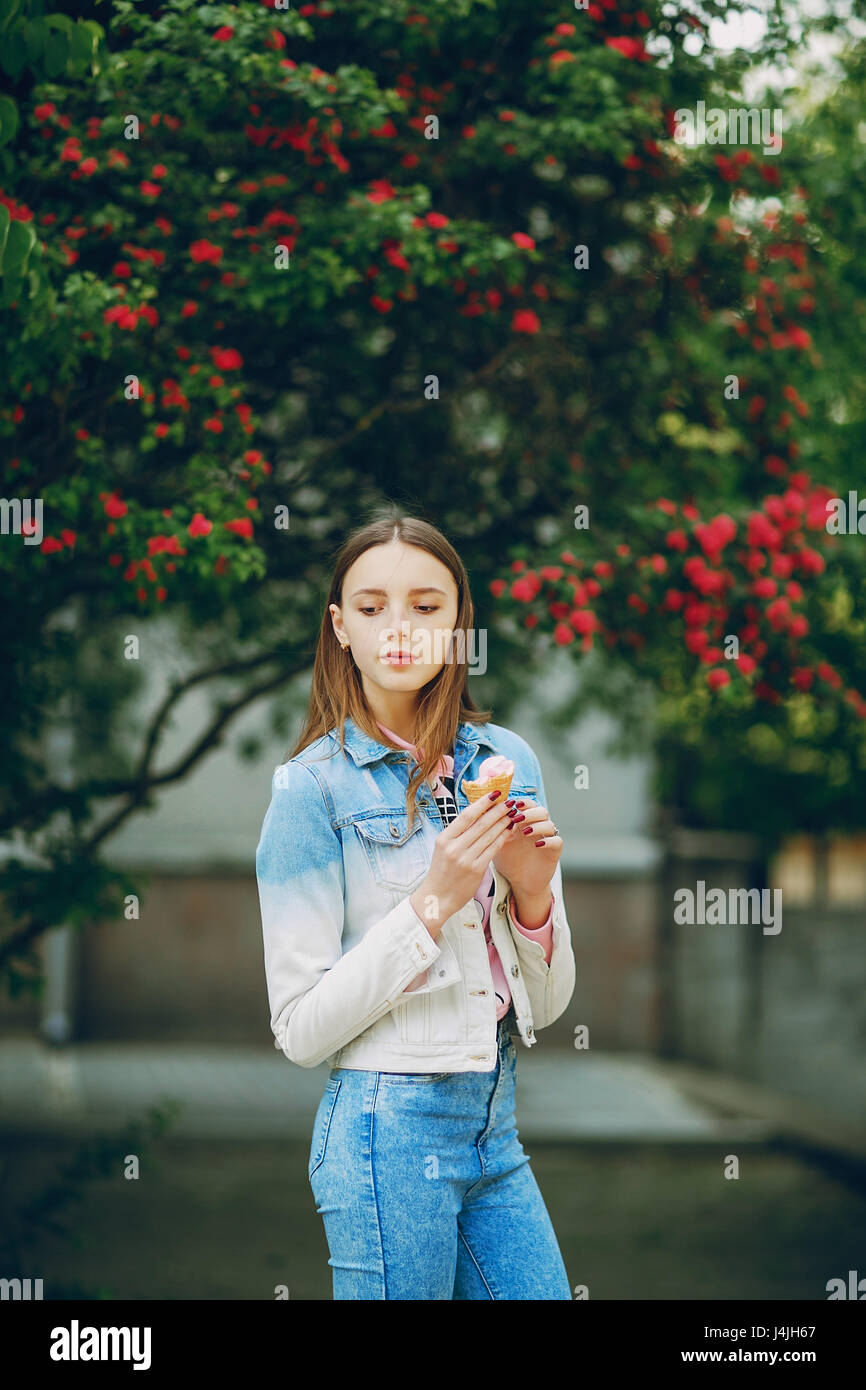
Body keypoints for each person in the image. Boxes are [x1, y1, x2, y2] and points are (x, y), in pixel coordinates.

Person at [255, 506, 576, 1299]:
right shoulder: (311, 791)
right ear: (340, 627)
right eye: (372, 608)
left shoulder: (508, 763)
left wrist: (532, 896)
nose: (399, 628)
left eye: (426, 607)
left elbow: (548, 1004)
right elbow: (299, 1031)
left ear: (460, 624)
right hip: (384, 1134)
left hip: (495, 1125)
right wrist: (431, 903)